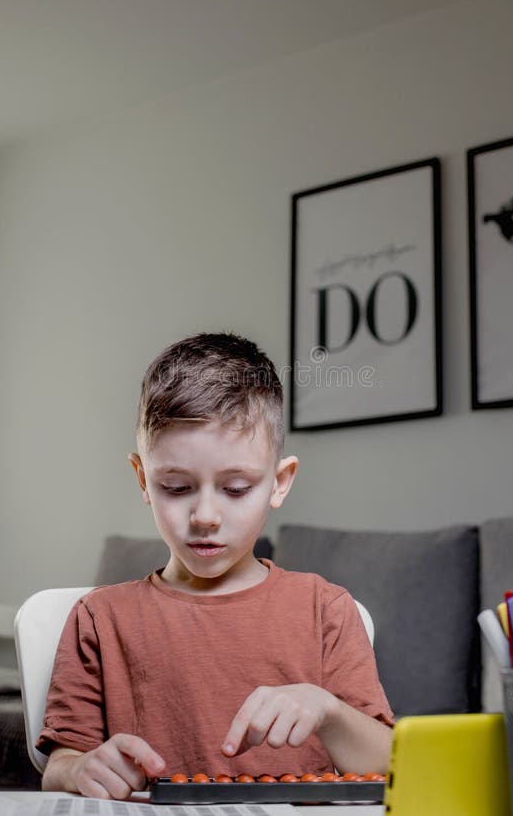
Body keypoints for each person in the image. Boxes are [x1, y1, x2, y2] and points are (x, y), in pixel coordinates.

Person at [38, 332, 394, 799]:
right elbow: (59, 766)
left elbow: (389, 760)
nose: (205, 516)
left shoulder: (325, 609)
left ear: (279, 482)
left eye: (236, 488)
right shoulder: (99, 618)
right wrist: (80, 767)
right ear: (144, 479)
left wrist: (328, 710)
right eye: (177, 487)